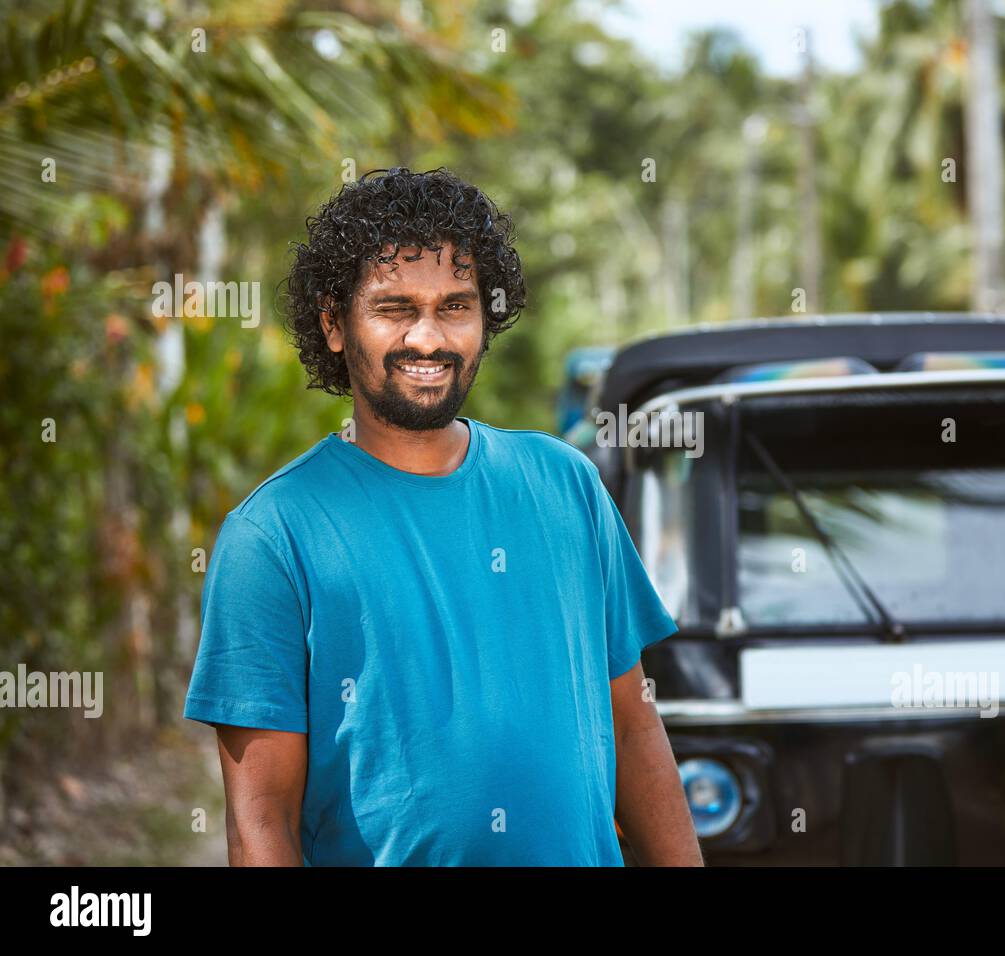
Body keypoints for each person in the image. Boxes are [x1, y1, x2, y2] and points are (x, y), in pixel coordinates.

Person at [183, 166, 702, 866]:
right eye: (395, 308)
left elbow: (635, 727)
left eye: (455, 306)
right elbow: (260, 823)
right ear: (336, 325)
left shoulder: (566, 485)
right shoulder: (272, 536)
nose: (428, 338)